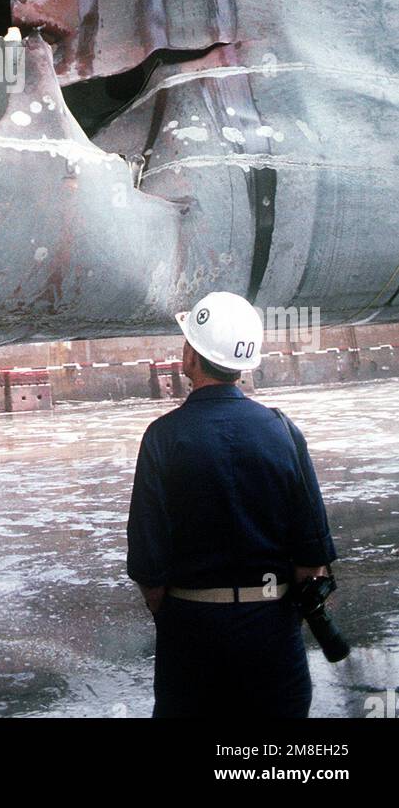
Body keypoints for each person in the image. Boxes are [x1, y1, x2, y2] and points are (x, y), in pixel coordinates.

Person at [126, 291, 337, 718]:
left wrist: (177, 615)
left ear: (190, 358)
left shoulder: (162, 439)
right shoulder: (283, 432)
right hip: (273, 638)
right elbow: (311, 560)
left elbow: (148, 567)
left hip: (190, 636)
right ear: (243, 363)